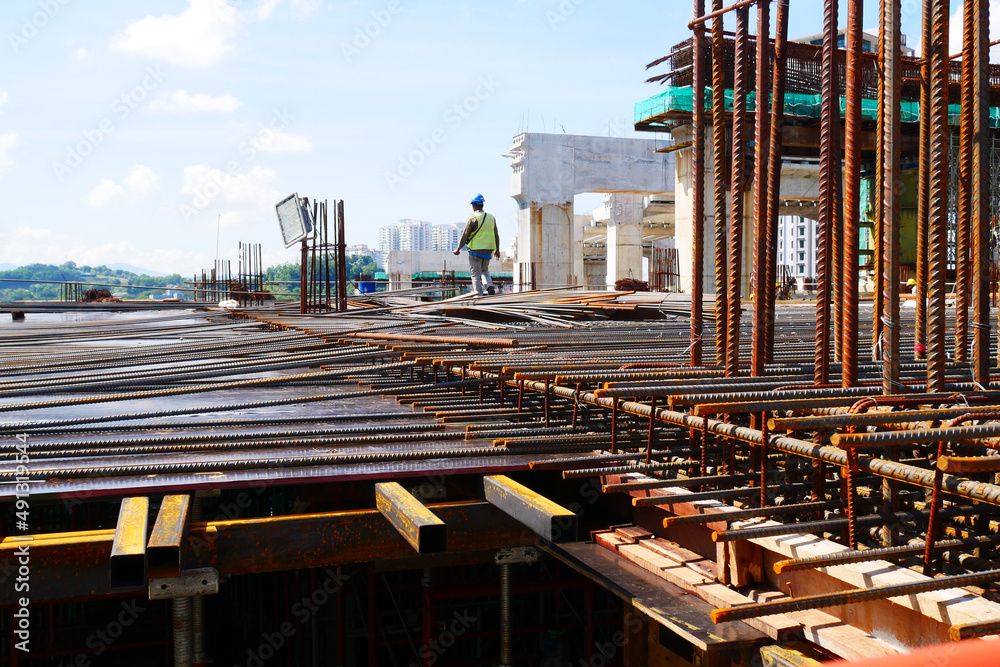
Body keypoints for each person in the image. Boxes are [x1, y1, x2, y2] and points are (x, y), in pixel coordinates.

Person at [453, 193, 501, 296]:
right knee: (485, 270)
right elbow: (496, 234)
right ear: (482, 205)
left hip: (475, 250)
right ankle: (489, 286)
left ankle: (478, 295)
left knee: (475, 274)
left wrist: (458, 249)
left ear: (474, 206)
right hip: (488, 250)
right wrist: (497, 249)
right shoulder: (491, 217)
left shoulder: (472, 217)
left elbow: (465, 234)